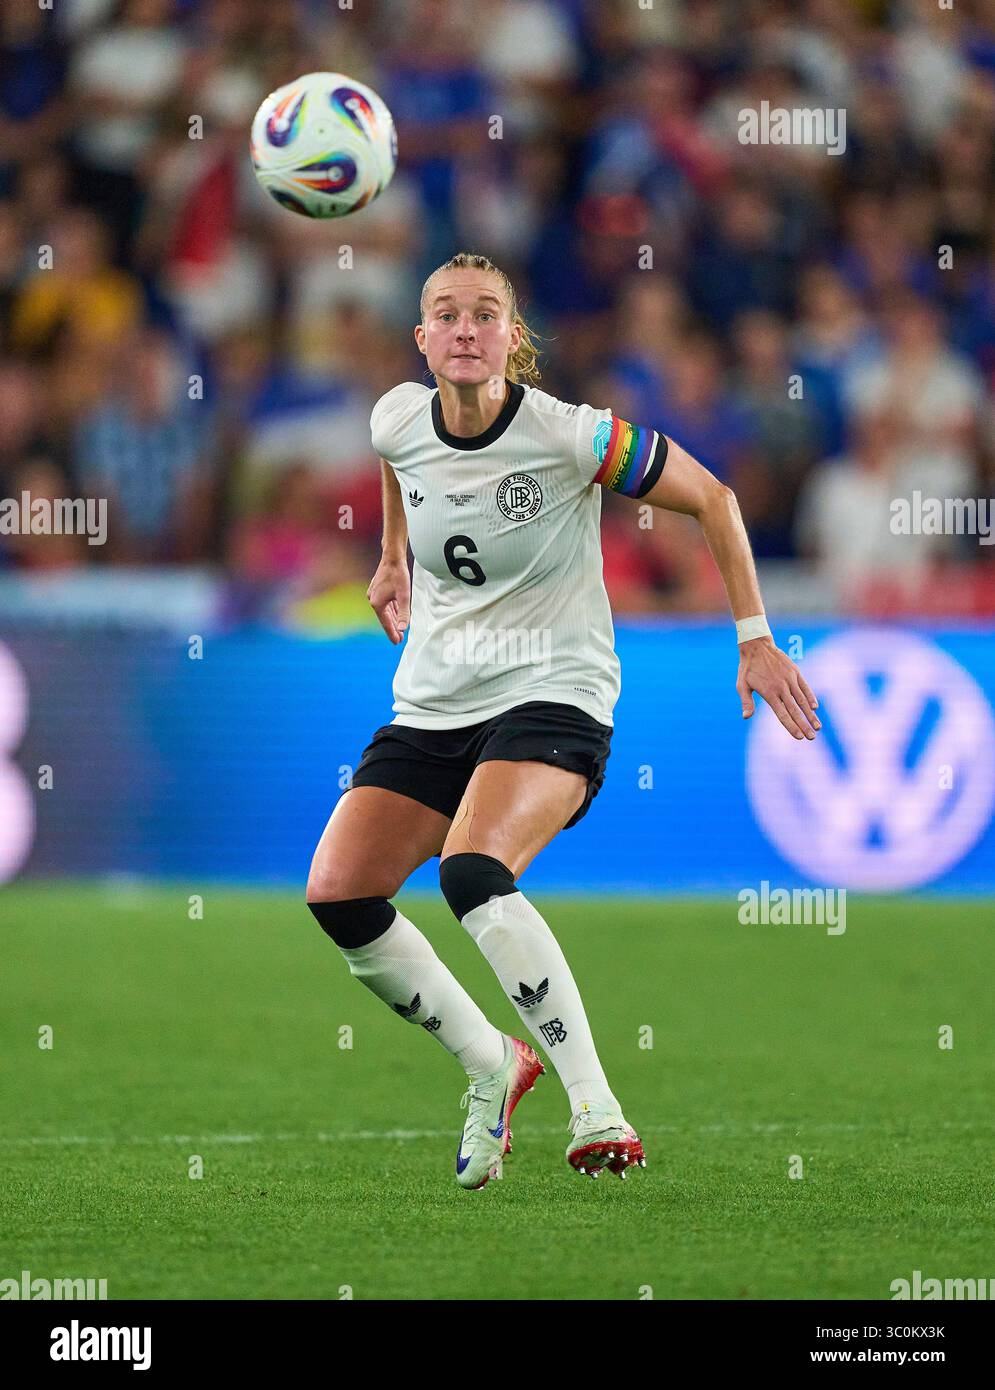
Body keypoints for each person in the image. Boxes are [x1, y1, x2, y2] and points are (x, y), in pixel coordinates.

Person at [306, 252, 820, 1190]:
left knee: (471, 871)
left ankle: (596, 1106)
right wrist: (390, 558)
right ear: (422, 339)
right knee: (339, 894)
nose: (465, 329)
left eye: (486, 314)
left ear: (513, 338)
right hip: (434, 698)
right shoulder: (395, 416)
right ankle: (491, 1064)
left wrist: (755, 639)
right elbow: (398, 464)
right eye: (446, 315)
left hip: (556, 690)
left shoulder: (571, 437)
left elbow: (714, 497)